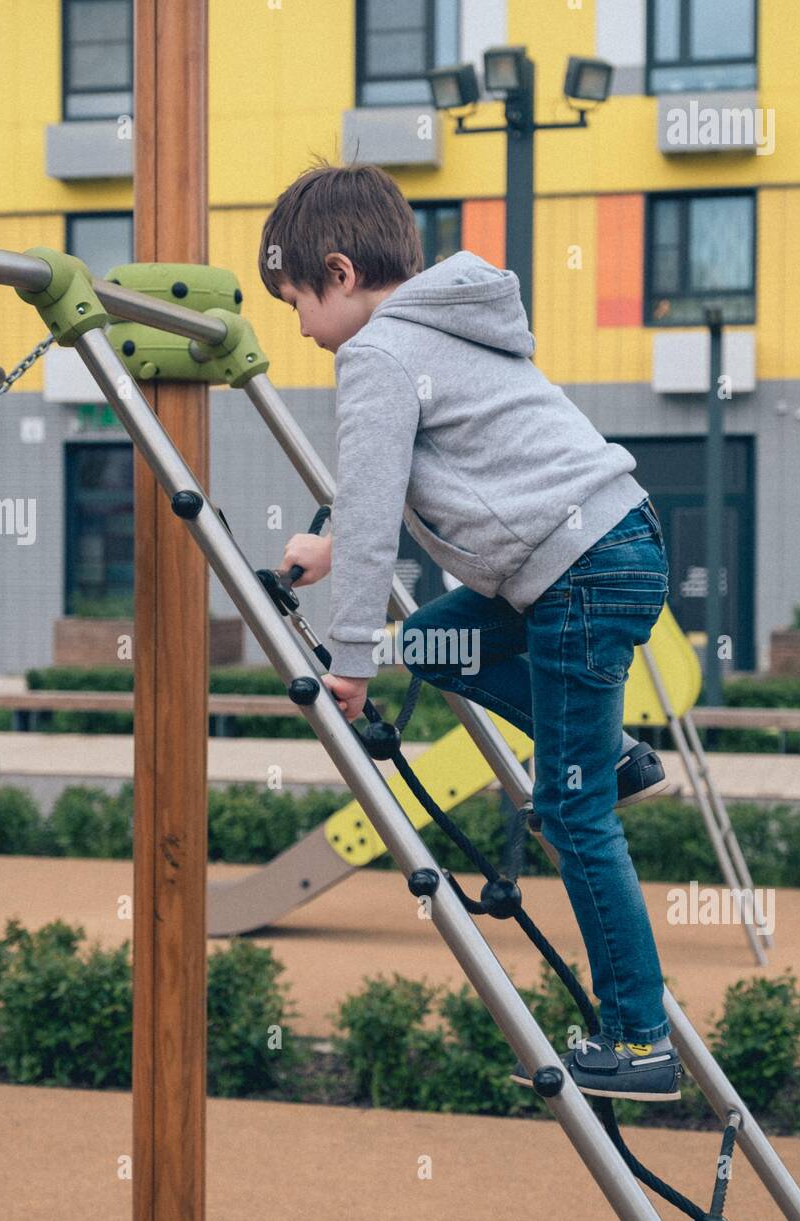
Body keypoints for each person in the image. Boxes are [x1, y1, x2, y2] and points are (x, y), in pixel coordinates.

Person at [258, 159, 682, 1102]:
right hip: (611, 543)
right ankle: (611, 752)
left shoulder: (374, 352)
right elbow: (414, 471)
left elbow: (374, 504)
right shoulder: (450, 323)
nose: (299, 329)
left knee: (570, 813)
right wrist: (330, 550)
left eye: (294, 302)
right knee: (437, 641)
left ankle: (640, 1039)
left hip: (571, 576)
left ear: (337, 272)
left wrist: (348, 661)